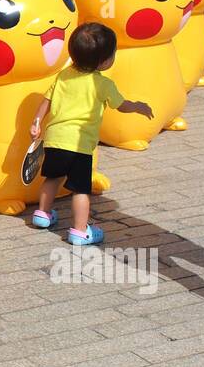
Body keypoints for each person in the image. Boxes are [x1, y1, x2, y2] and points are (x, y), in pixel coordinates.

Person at [28, 23, 153, 246]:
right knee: (80, 189)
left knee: (52, 178)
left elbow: (46, 100)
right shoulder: (102, 84)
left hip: (55, 139)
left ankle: (42, 214)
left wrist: (36, 122)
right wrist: (138, 106)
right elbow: (121, 105)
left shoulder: (63, 76)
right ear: (104, 61)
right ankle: (79, 230)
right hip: (80, 145)